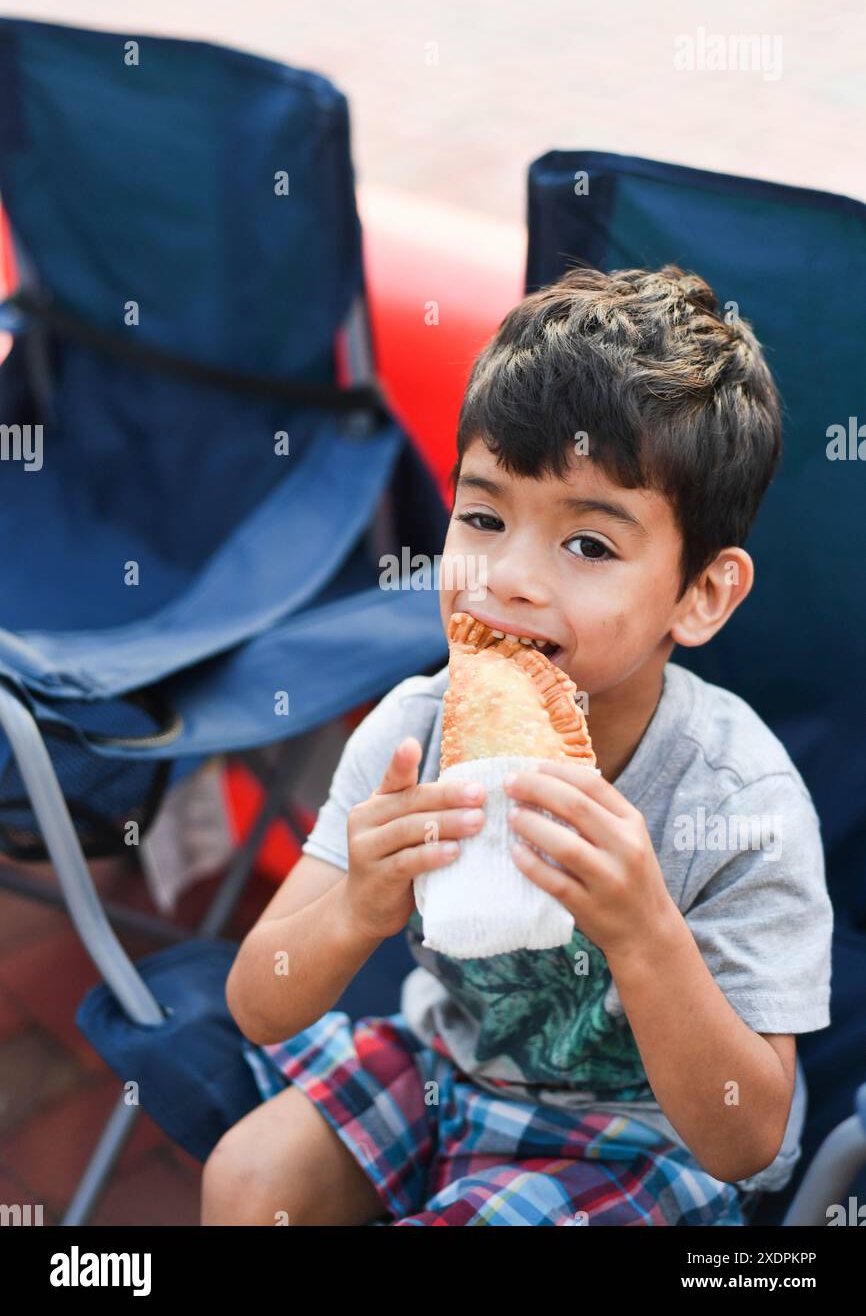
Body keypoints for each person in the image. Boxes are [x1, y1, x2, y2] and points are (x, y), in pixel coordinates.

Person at [203, 264, 832, 1226]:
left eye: (589, 545)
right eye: (484, 517)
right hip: (447, 1061)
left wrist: (644, 932)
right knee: (248, 1182)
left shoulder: (737, 798)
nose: (509, 578)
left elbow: (747, 1133)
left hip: (644, 1134)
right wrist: (358, 908)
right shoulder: (415, 731)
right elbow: (259, 1001)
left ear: (701, 594)